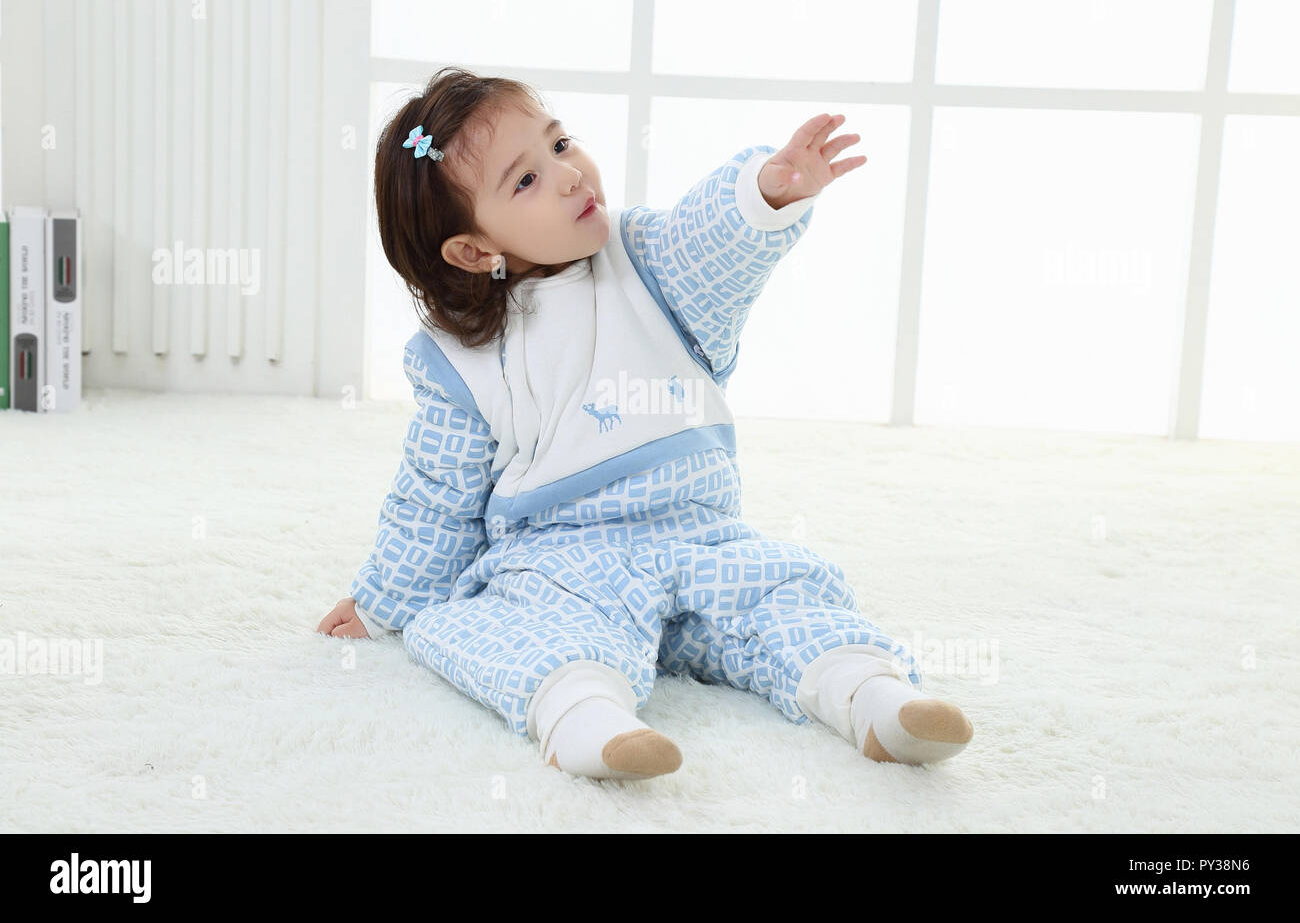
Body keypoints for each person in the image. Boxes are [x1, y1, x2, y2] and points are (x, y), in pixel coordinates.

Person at [317, 66, 974, 780]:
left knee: (780, 592)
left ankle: (874, 697)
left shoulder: (644, 260)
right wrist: (389, 601)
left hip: (699, 531)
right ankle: (585, 716)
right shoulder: (460, 362)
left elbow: (709, 242)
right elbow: (433, 495)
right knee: (497, 623)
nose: (569, 175)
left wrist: (766, 192)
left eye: (560, 144)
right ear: (475, 251)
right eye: (526, 180)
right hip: (564, 556)